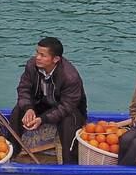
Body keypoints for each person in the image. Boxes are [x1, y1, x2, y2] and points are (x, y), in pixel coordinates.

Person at [12, 36, 88, 164]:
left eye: (43, 55)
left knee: (69, 121)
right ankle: (13, 152)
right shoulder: (32, 65)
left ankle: (69, 164)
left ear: (56, 59)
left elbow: (67, 106)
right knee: (18, 110)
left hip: (67, 109)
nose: (37, 57)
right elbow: (23, 88)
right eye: (37, 52)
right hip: (42, 104)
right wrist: (28, 108)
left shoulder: (70, 76)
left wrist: (42, 119)